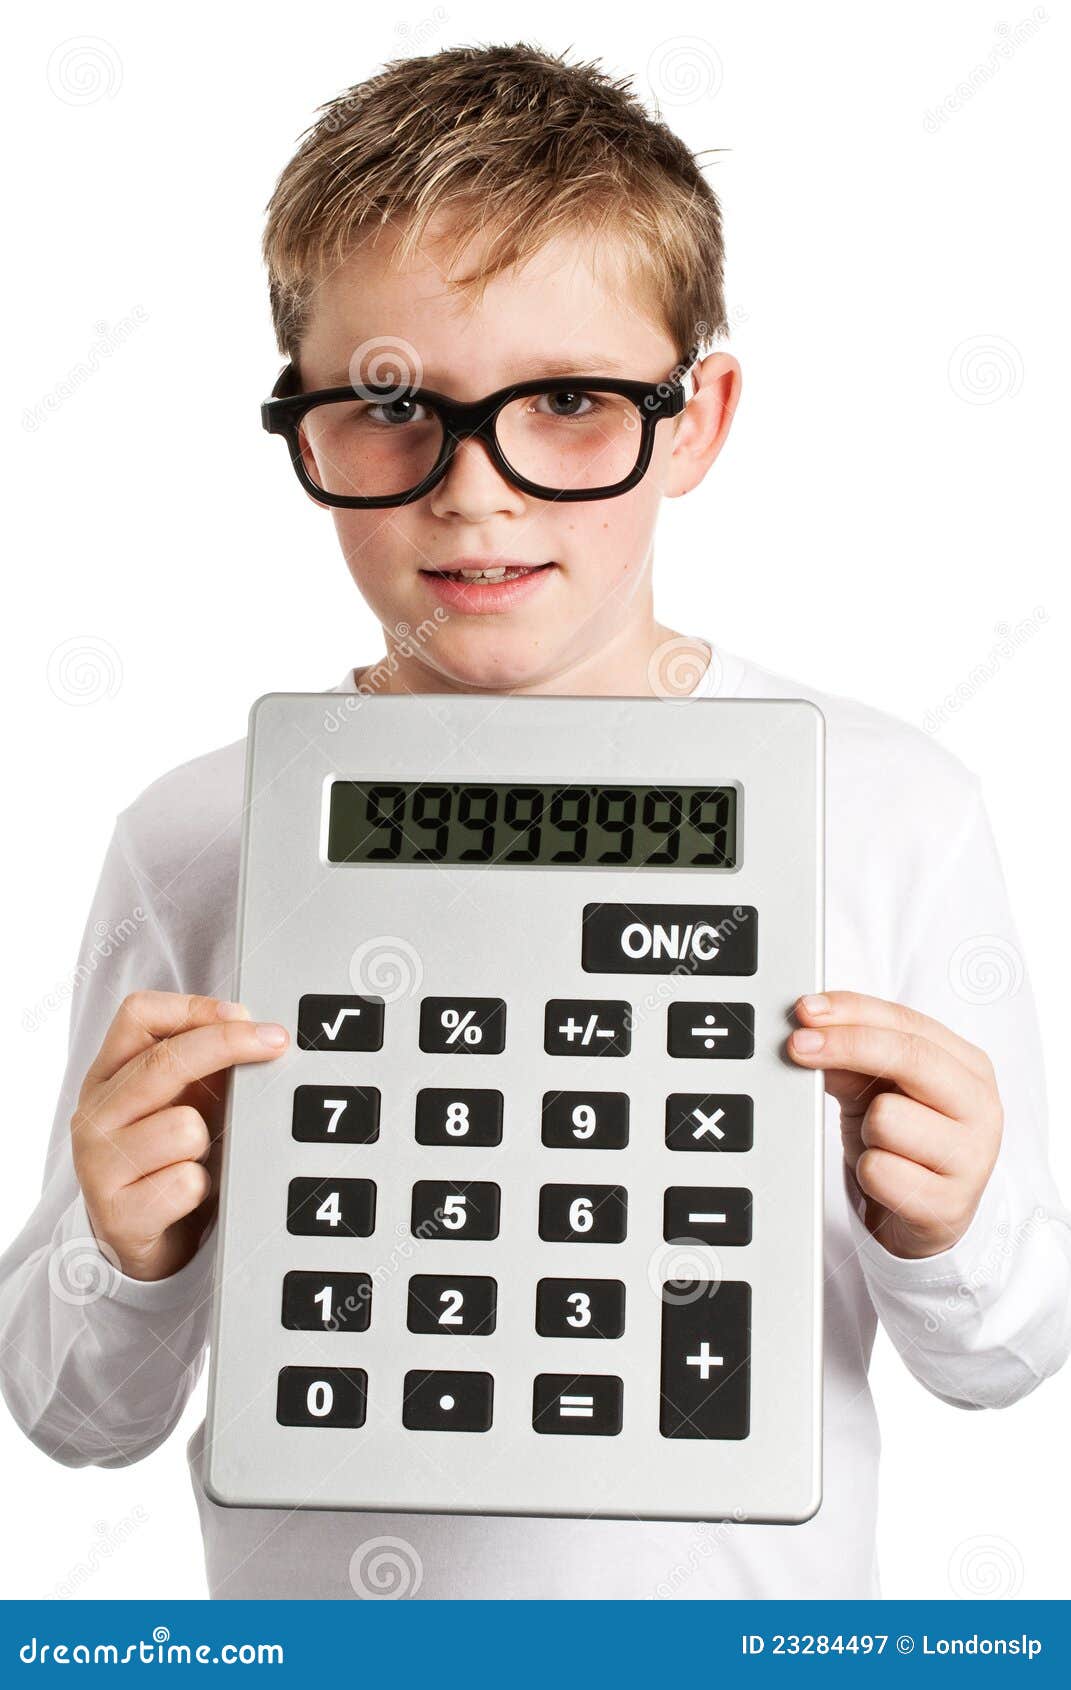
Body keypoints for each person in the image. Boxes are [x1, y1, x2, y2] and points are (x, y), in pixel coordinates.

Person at [1, 42, 1068, 1601]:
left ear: (694, 419)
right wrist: (130, 1248)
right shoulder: (199, 833)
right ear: (305, 425)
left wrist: (949, 1221)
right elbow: (69, 1411)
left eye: (568, 401)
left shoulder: (892, 805)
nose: (474, 494)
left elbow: (1009, 1355)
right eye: (389, 408)